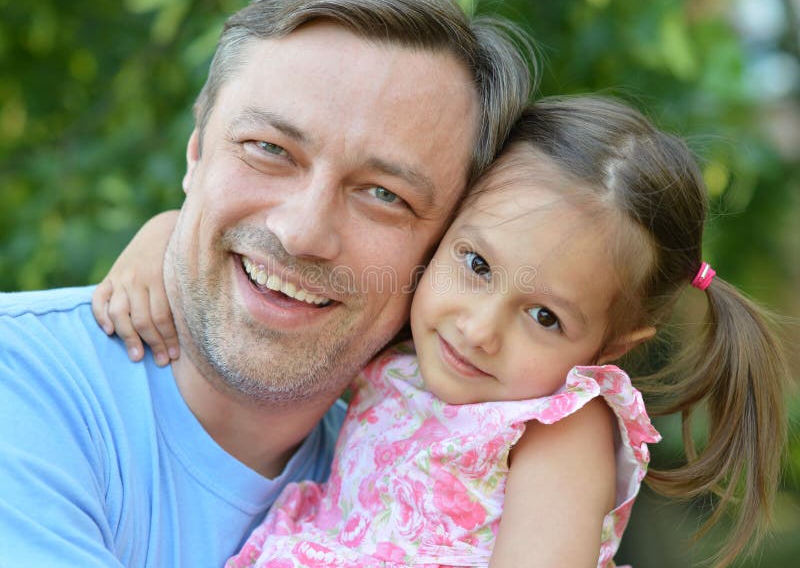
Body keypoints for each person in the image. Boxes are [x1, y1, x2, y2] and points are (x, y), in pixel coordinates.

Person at [95, 96, 787, 568]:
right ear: (445, 225)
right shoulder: (405, 349)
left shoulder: (558, 426)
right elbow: (271, 283)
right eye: (477, 264)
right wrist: (163, 237)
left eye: (545, 318)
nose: (479, 328)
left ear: (610, 348)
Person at [0, 0, 534, 567]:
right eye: (270, 150)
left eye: (384, 194)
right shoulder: (19, 381)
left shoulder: (427, 495)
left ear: (440, 253)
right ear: (197, 147)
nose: (302, 233)